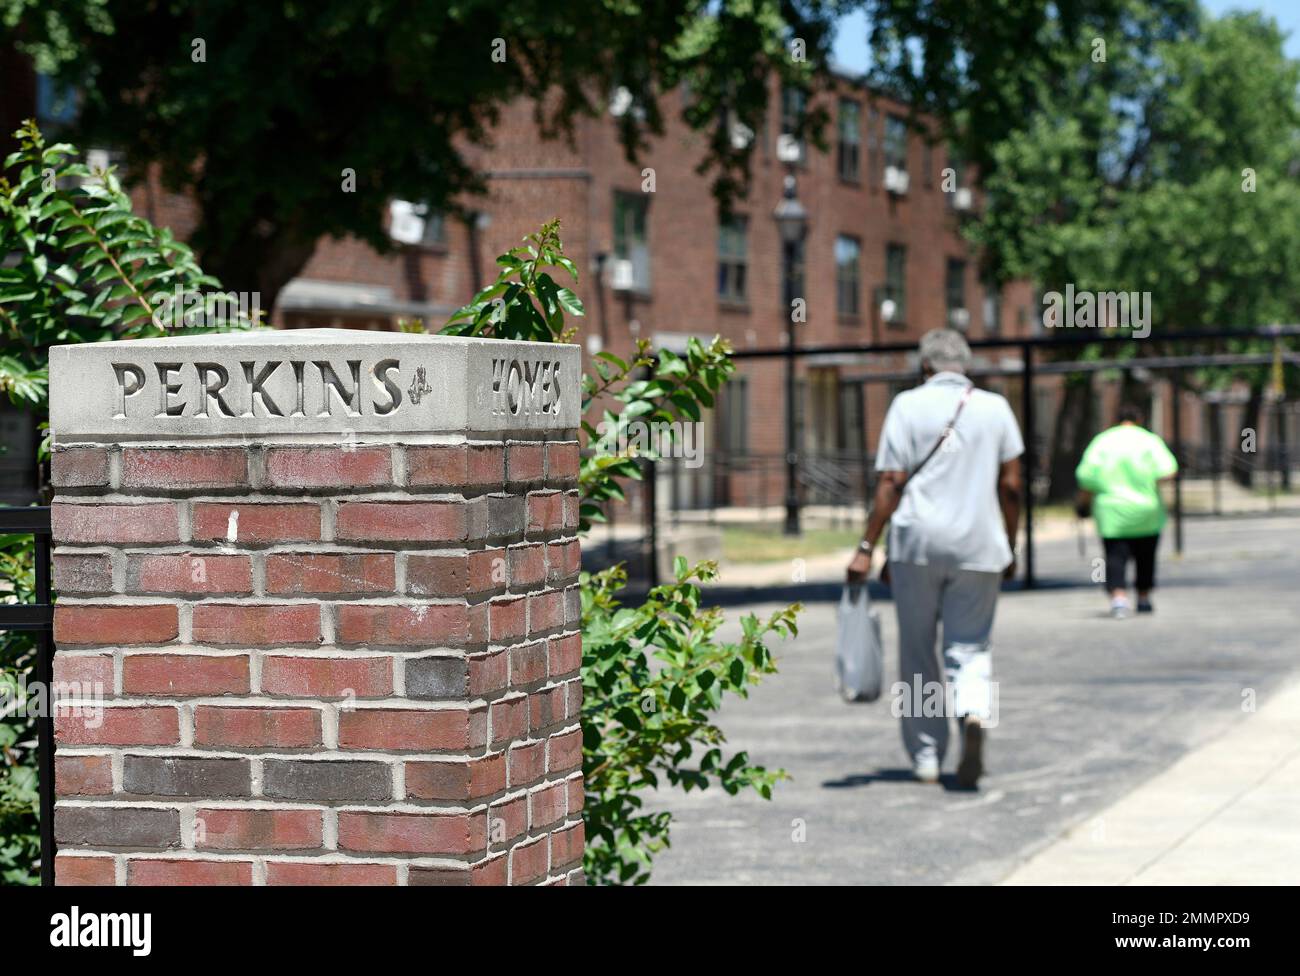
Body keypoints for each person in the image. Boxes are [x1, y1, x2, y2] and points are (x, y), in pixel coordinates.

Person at [847, 329, 1023, 788]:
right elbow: (1011, 486)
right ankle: (973, 711)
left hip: (916, 545)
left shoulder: (906, 405)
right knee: (969, 645)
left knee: (918, 650)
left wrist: (867, 546)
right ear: (965, 366)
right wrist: (1010, 544)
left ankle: (926, 756)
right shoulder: (995, 407)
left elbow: (890, 481)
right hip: (979, 544)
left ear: (924, 366)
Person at [1074, 403, 1179, 619]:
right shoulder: (1149, 440)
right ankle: (1143, 596)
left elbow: (1085, 477)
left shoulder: (1103, 441)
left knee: (1114, 555)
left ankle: (1119, 598)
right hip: (1146, 509)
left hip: (1111, 510)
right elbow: (1169, 470)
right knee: (1146, 554)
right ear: (1139, 419)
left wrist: (1083, 504)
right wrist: (1148, 480)